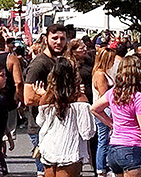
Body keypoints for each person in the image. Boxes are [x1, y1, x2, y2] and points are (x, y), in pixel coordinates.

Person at [91, 55, 141, 177]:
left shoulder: (113, 93)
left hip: (115, 148)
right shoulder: (139, 97)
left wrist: (110, 123)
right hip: (133, 148)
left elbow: (94, 108)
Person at [37, 57, 95, 177]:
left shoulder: (46, 97)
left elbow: (40, 122)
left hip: (49, 148)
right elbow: (87, 132)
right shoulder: (79, 99)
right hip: (69, 149)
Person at [24, 24, 67, 177]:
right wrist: (56, 98)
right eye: (54, 38)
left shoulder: (60, 61)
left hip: (58, 125)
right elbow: (28, 98)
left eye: (62, 38)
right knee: (45, 171)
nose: (59, 42)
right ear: (45, 39)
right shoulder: (39, 64)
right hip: (41, 126)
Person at [91, 47, 116, 177]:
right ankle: (101, 167)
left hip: (103, 110)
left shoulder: (100, 72)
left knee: (104, 139)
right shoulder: (100, 74)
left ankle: (101, 166)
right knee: (103, 139)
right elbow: (104, 95)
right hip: (103, 110)